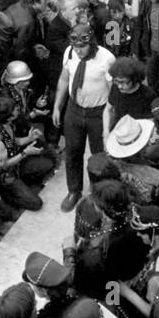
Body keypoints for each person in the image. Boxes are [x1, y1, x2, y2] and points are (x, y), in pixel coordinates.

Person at [53, 23, 116, 212]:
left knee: (99, 157)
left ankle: (98, 193)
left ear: (92, 43)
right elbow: (64, 79)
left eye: (83, 47)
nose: (79, 51)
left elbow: (114, 92)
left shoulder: (106, 59)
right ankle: (74, 190)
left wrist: (109, 123)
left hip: (98, 112)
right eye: (76, 47)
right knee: (72, 152)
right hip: (74, 109)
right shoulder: (69, 53)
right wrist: (57, 105)